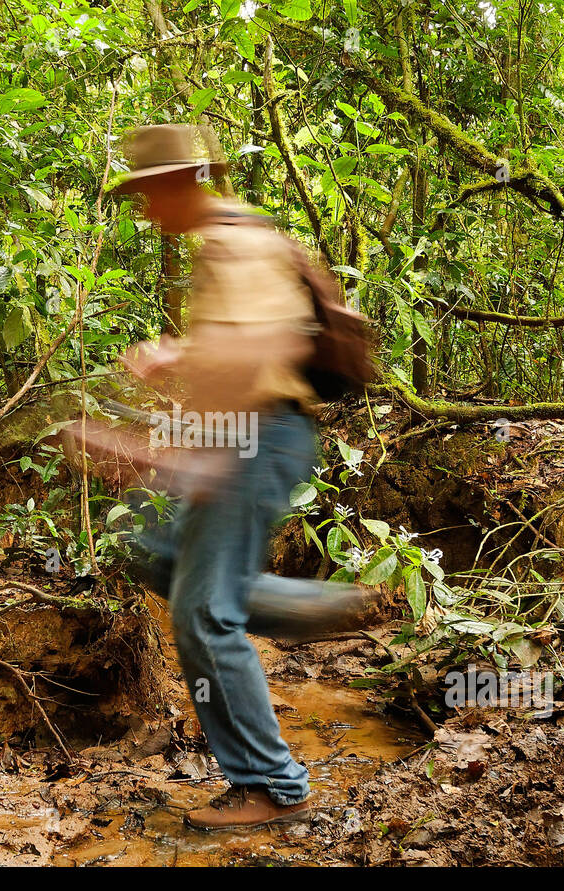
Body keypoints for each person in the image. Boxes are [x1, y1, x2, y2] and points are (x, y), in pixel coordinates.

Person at [107, 124, 370, 830]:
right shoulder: (224, 240)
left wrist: (192, 450)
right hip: (236, 436)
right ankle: (324, 607)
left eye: (145, 194)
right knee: (153, 551)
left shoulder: (234, 241)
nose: (142, 210)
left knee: (202, 615)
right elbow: (242, 332)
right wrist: (179, 356)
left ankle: (273, 787)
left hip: (256, 439)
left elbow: (272, 341)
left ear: (175, 184)